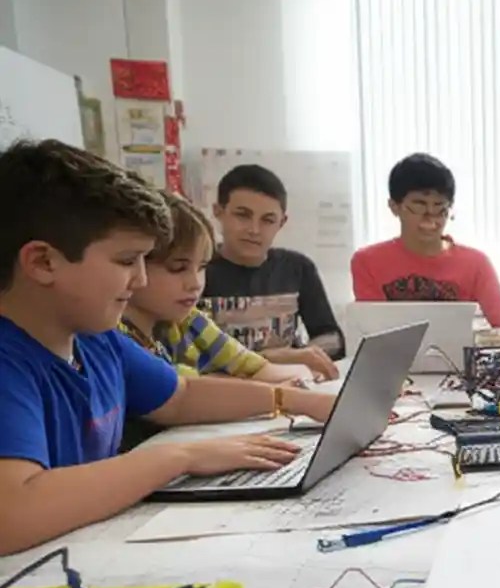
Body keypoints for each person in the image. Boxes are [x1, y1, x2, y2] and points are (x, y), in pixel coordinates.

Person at [0, 140, 336, 554]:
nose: (140, 281)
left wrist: (292, 401)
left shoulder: (96, 340)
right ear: (43, 263)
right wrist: (178, 458)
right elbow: (12, 514)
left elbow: (182, 395)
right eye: (126, 261)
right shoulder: (8, 361)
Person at [121, 190, 314, 384]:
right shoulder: (115, 338)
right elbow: (185, 393)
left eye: (202, 267)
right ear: (135, 264)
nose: (195, 283)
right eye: (178, 268)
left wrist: (299, 378)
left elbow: (252, 366)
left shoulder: (190, 321)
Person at [204, 164, 343, 380]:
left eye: (267, 220)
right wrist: (285, 357)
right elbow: (187, 359)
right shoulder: (196, 270)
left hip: (291, 389)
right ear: (218, 212)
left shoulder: (298, 268)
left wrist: (309, 354)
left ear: (282, 222)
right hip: (222, 395)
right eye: (242, 215)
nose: (254, 230)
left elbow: (332, 338)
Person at [350, 153, 500, 329]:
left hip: (459, 355)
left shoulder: (476, 263)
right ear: (394, 207)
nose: (430, 220)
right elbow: (372, 331)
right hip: (395, 356)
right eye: (419, 206)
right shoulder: (368, 262)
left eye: (439, 208)